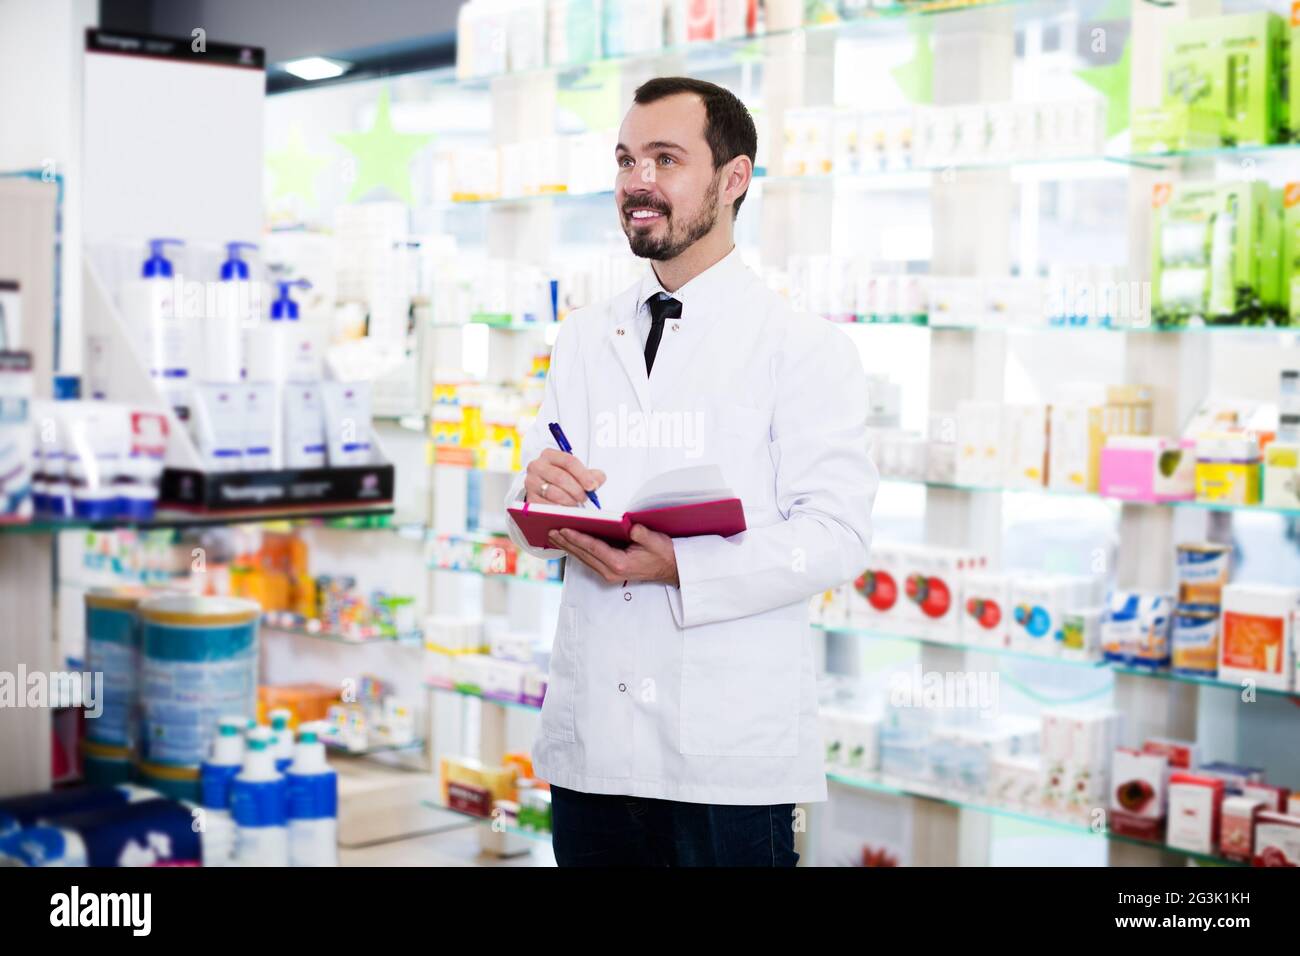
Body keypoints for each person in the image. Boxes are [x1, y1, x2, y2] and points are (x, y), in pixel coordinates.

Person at [504, 76, 878, 867]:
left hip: (727, 756)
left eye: (665, 159)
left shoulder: (802, 347)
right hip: (593, 750)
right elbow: (538, 483)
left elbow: (837, 536)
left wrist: (682, 563)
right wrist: (536, 490)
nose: (637, 183)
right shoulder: (582, 337)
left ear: (733, 179)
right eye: (625, 160)